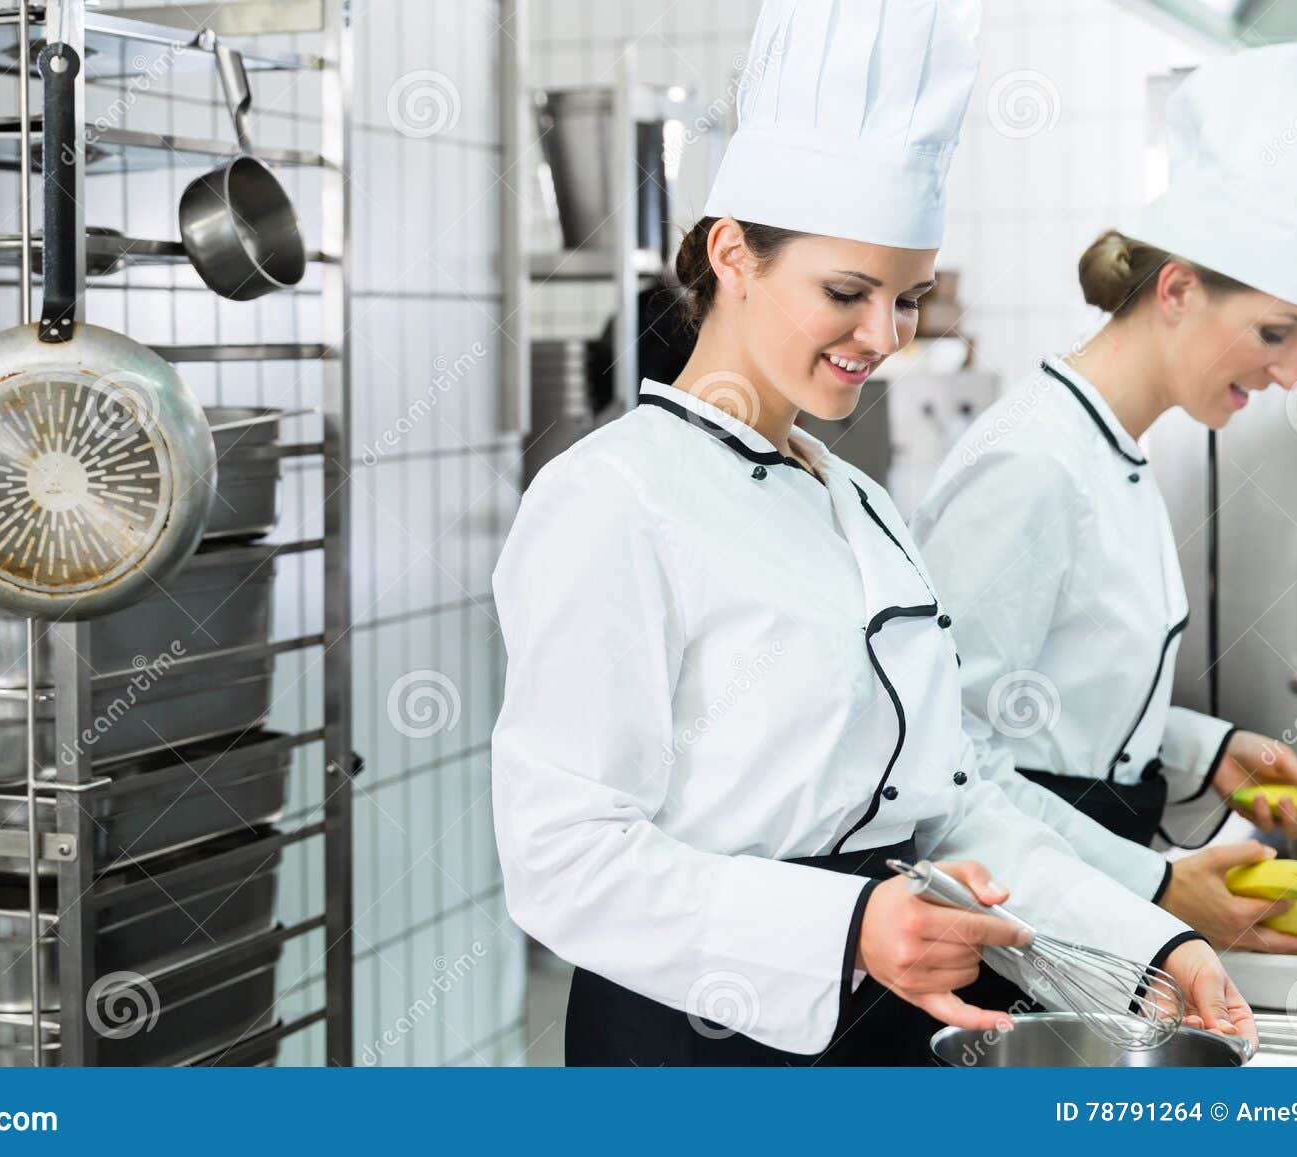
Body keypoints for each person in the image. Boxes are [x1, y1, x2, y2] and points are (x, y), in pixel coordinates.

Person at [491, 0, 1253, 1067]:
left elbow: (951, 809)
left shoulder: (860, 506)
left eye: (908, 298)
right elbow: (562, 856)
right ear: (733, 253)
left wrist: (1149, 945)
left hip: (889, 1025)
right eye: (847, 292)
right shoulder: (610, 496)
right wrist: (844, 926)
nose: (883, 336)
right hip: (696, 1043)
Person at [912, 43, 1297, 956]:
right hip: (1019, 926)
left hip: (1074, 910)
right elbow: (941, 759)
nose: (1290, 374)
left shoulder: (1106, 450)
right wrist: (1155, 883)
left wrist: (1206, 753)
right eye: (1275, 333)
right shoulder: (1034, 463)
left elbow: (1053, 700)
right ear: (1176, 291)